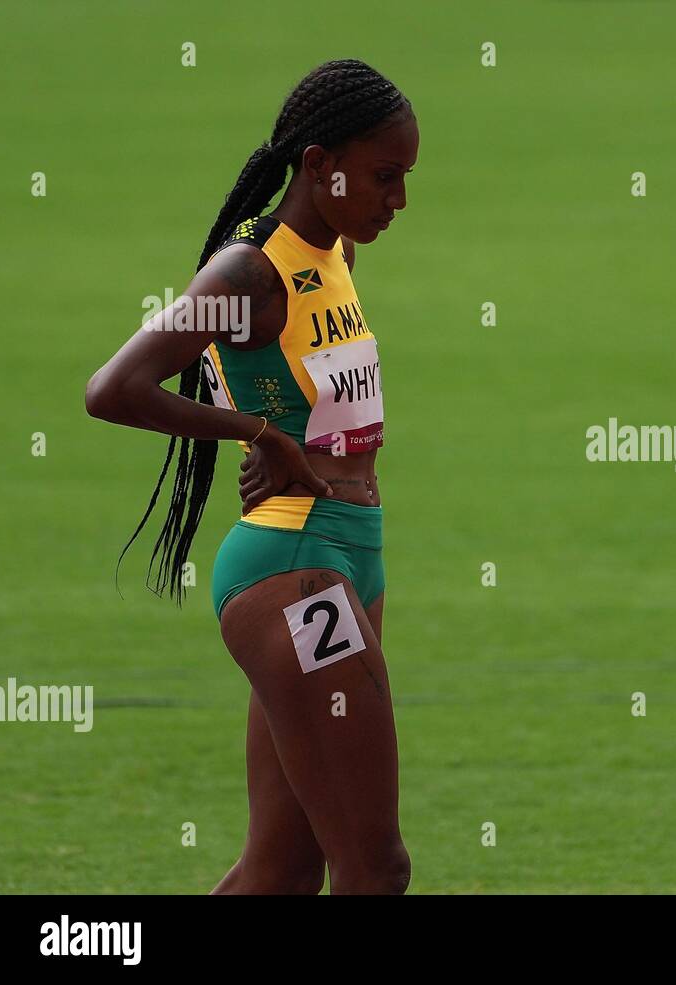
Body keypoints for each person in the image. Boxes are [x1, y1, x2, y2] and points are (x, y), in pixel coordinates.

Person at [85, 58, 420, 895]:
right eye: (384, 176)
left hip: (353, 558)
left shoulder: (336, 253)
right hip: (293, 571)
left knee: (280, 871)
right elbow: (114, 388)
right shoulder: (249, 274)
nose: (398, 200)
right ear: (320, 164)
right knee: (376, 869)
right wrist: (259, 434)